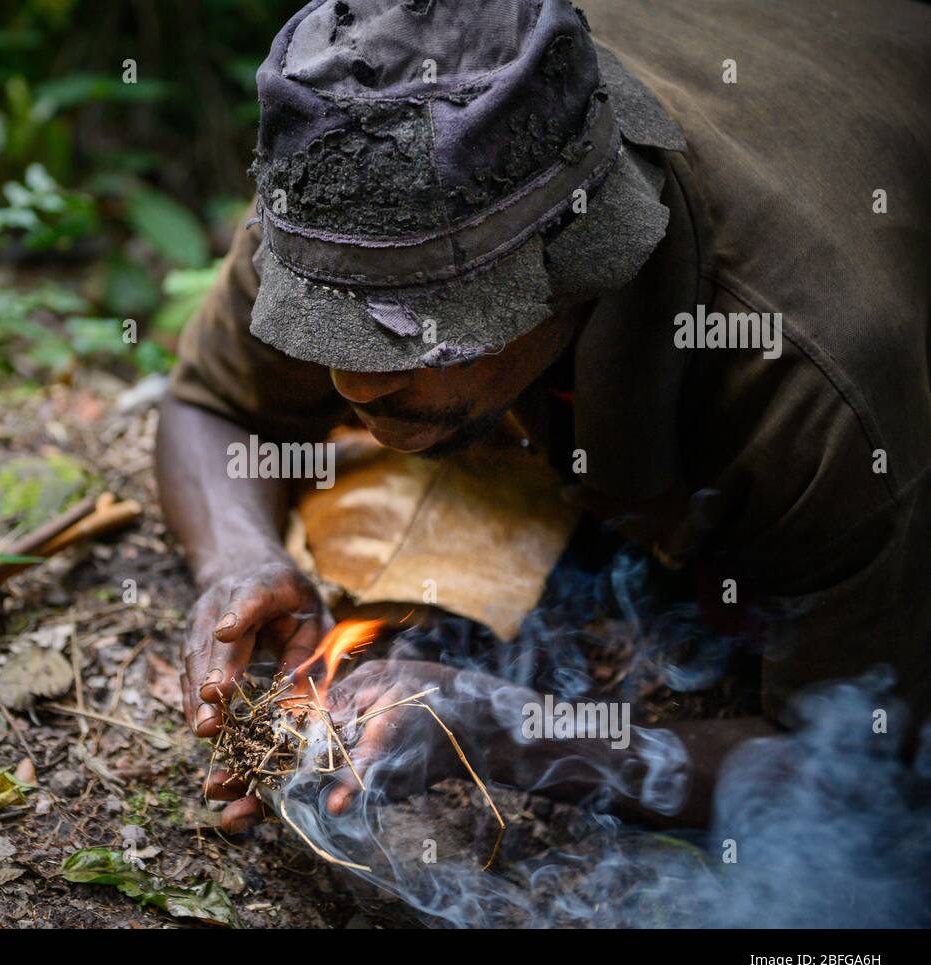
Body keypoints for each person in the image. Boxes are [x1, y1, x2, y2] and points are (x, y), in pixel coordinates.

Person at [154, 0, 931, 833]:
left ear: (575, 263)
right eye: (329, 323)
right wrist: (238, 556)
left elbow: (853, 773)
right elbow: (212, 402)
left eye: (415, 330)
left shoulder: (810, 378)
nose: (352, 383)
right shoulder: (353, 162)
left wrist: (513, 733)